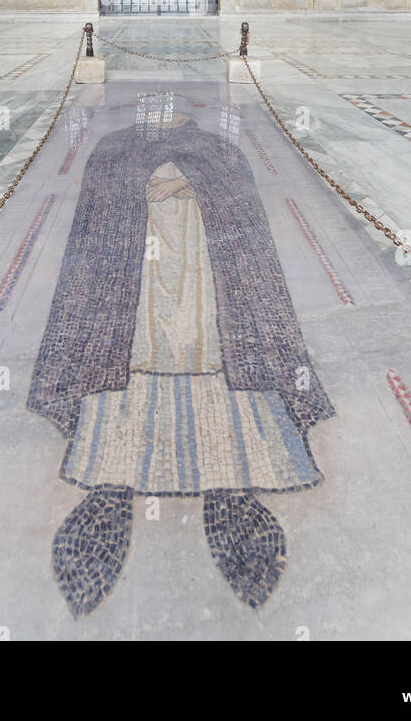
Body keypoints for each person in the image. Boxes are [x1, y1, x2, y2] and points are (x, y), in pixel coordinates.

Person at [28, 110, 333, 617]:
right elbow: (101, 214)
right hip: (138, 309)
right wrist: (161, 188)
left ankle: (233, 491)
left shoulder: (221, 152)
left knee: (221, 376)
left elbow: (239, 213)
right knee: (126, 378)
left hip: (207, 301)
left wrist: (185, 185)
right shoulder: (113, 150)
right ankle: (111, 486)